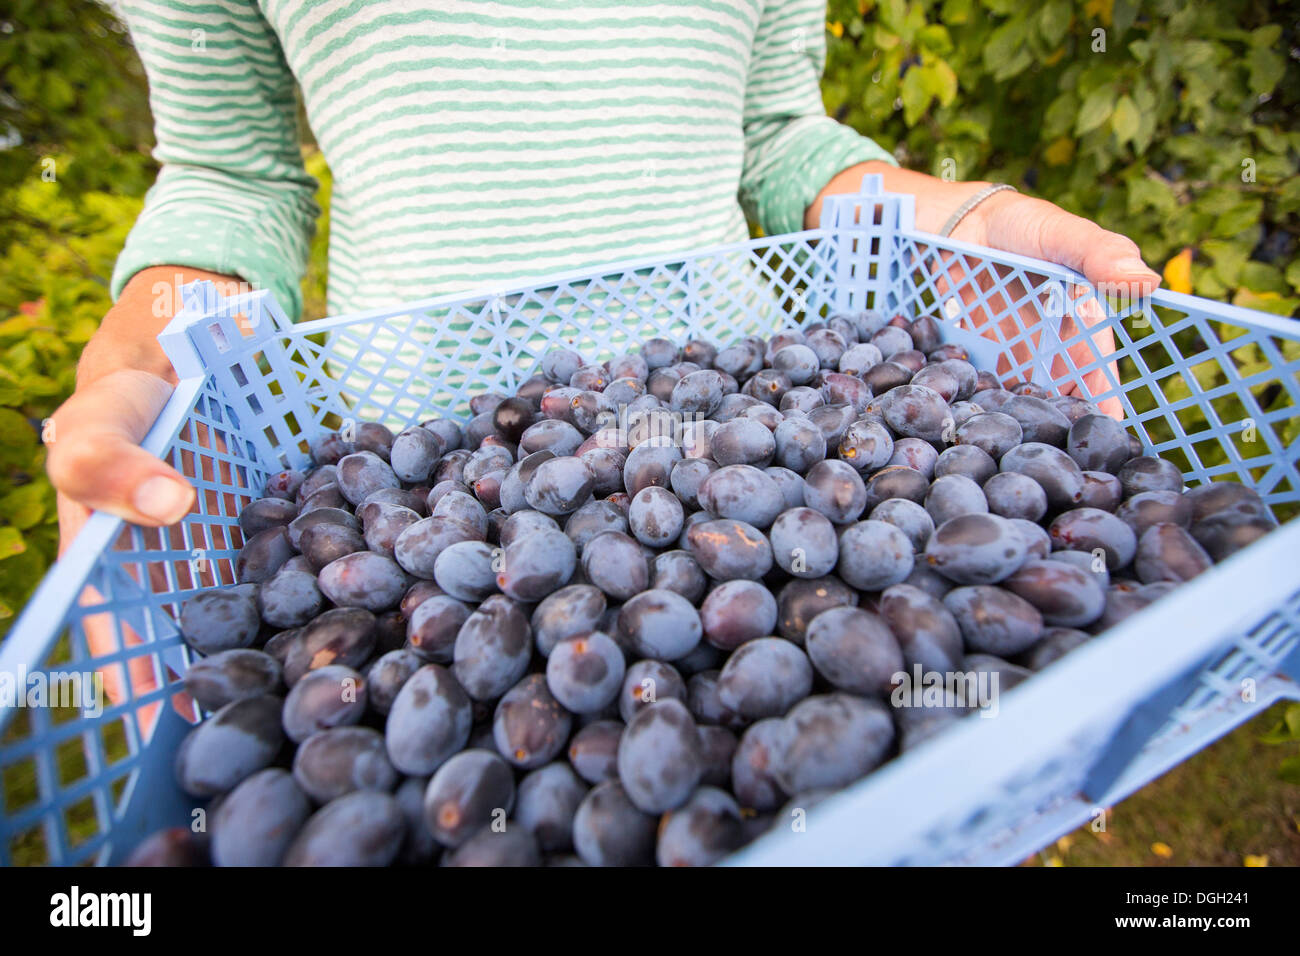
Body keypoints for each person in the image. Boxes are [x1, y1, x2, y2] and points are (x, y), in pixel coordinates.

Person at [47, 0, 1160, 545]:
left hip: (755, 407)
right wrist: (143, 356)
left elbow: (777, 134)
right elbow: (232, 176)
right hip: (432, 472)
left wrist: (963, 212)